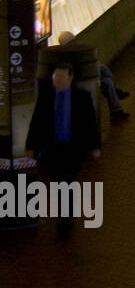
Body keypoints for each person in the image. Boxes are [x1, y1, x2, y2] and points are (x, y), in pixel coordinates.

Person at [25, 60, 101, 237]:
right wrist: (31, 145)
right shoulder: (46, 96)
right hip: (54, 148)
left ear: (70, 78)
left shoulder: (82, 97)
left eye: (61, 78)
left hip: (73, 149)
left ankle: (64, 219)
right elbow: (37, 122)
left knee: (67, 180)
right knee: (60, 181)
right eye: (55, 78)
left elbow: (90, 123)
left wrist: (95, 146)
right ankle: (65, 215)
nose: (57, 82)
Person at [56, 31, 129, 120]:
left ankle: (116, 97)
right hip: (83, 83)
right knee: (107, 81)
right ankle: (116, 108)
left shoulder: (69, 54)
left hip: (85, 78)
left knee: (103, 69)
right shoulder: (69, 57)